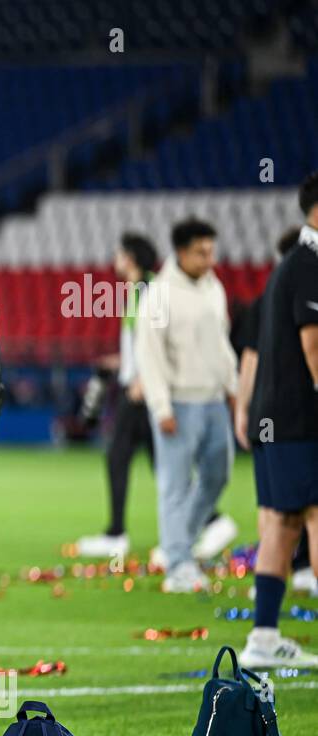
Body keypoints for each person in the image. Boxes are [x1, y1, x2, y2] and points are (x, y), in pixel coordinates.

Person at [237, 173, 318, 669]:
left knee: (284, 526)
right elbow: (314, 345)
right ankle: (263, 638)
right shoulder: (310, 264)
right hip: (300, 421)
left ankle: (263, 639)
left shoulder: (290, 265)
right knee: (313, 516)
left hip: (275, 419)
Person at [135, 218, 237, 594]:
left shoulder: (214, 288)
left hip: (213, 401)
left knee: (217, 475)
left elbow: (222, 344)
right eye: (201, 252)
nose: (209, 258)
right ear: (180, 252)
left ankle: (179, 543)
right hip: (178, 402)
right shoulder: (158, 294)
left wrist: (233, 386)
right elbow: (150, 355)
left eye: (211, 251)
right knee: (175, 486)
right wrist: (161, 406)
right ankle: (178, 564)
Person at [75, 234, 159, 560]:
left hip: (140, 391)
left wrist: (140, 376)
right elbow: (141, 342)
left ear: (131, 258)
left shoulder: (145, 292)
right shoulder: (141, 291)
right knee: (157, 462)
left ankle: (116, 534)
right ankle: (203, 522)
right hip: (138, 385)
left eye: (119, 252)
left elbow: (156, 340)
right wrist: (120, 363)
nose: (115, 257)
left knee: (118, 457)